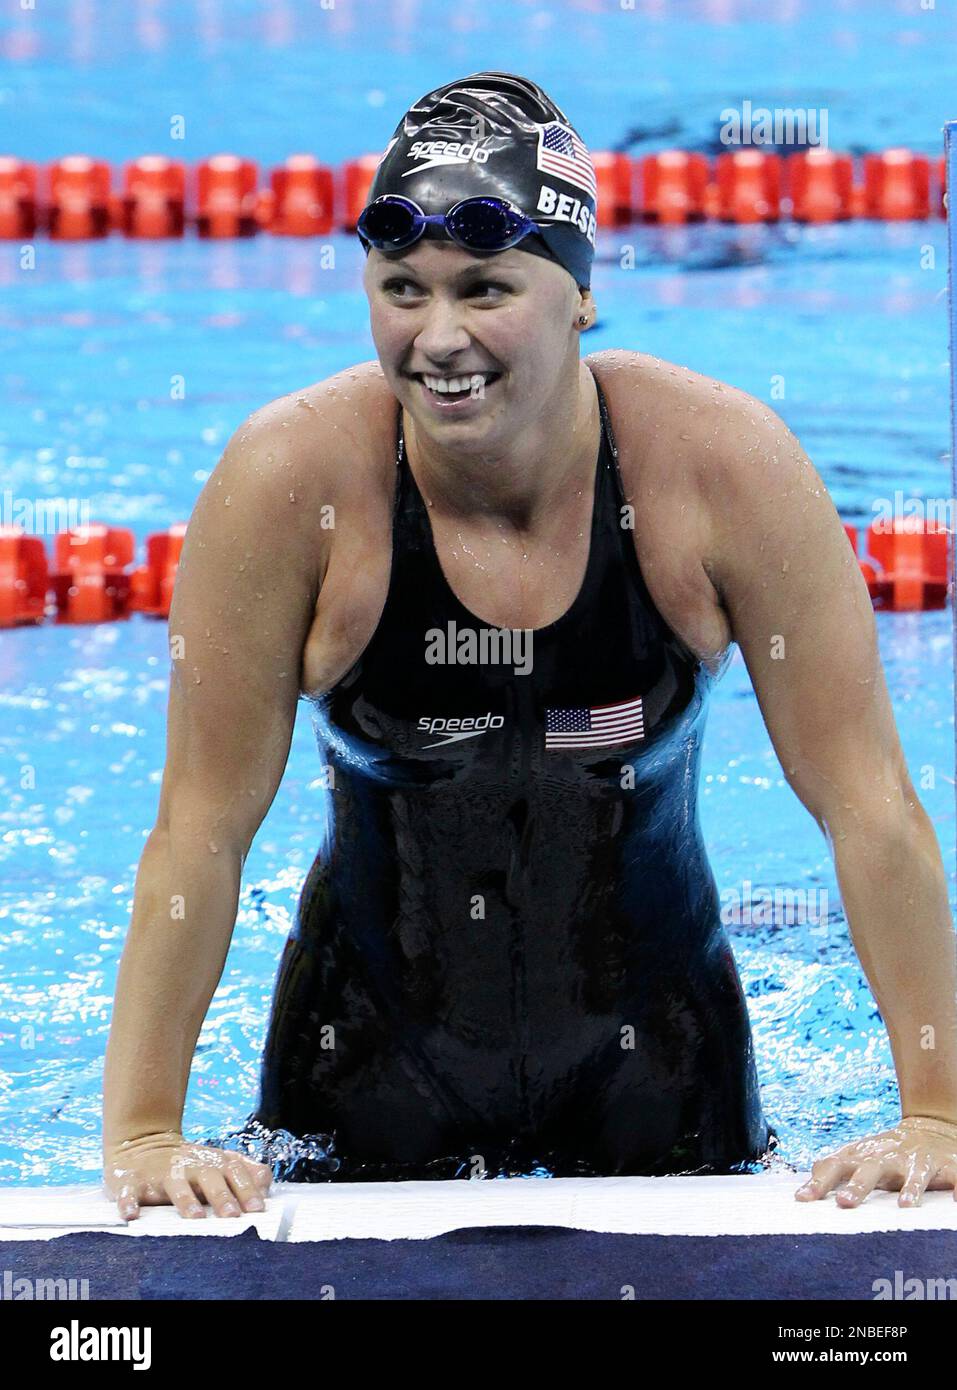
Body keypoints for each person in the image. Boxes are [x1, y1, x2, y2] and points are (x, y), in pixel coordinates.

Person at [103, 72, 957, 1219]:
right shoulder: (290, 485)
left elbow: (870, 804)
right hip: (361, 1069)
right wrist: (147, 1129)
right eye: (401, 288)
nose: (438, 336)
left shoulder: (717, 466)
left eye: (485, 288)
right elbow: (198, 830)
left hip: (659, 1068)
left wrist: (939, 1110)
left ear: (579, 297)